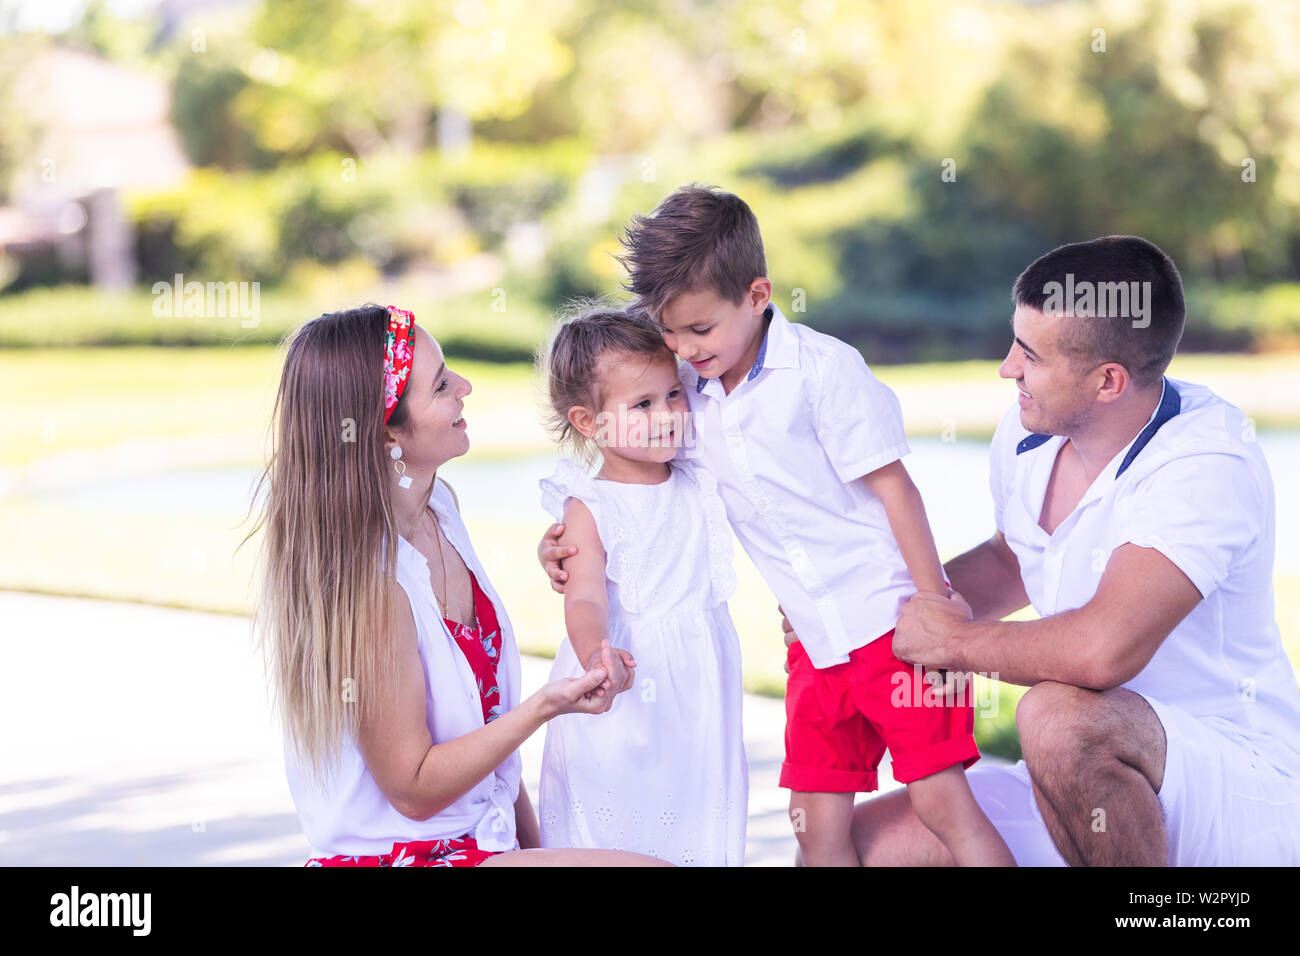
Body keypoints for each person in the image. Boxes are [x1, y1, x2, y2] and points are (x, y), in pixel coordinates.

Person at [540, 185, 1015, 866]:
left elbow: (896, 488)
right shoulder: (687, 394)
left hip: (893, 627)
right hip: (817, 649)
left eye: (698, 331)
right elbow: (615, 415)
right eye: (669, 332)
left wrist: (935, 600)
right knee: (814, 829)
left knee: (943, 805)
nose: (682, 348)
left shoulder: (821, 372)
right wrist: (564, 540)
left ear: (758, 295)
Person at [824, 235, 1300, 865]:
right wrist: (849, 610)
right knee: (850, 847)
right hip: (1086, 787)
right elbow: (1010, 561)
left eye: (1031, 356)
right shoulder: (1033, 428)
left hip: (1233, 791)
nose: (1006, 368)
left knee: (1055, 715)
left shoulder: (1207, 463)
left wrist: (953, 644)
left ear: (1108, 381)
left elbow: (1101, 653)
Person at [252, 303, 667, 866]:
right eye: (442, 384)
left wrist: (537, 850)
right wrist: (545, 706)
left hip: (482, 843)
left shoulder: (438, 509)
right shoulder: (372, 587)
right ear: (387, 432)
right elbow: (414, 788)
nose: (465, 387)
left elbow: (489, 748)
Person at [535, 305, 748, 865]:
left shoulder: (695, 473)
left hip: (700, 674)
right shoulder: (591, 505)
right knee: (627, 808)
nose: (669, 414)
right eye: (643, 404)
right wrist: (595, 656)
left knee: (698, 810)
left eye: (673, 394)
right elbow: (584, 594)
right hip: (630, 671)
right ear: (589, 422)